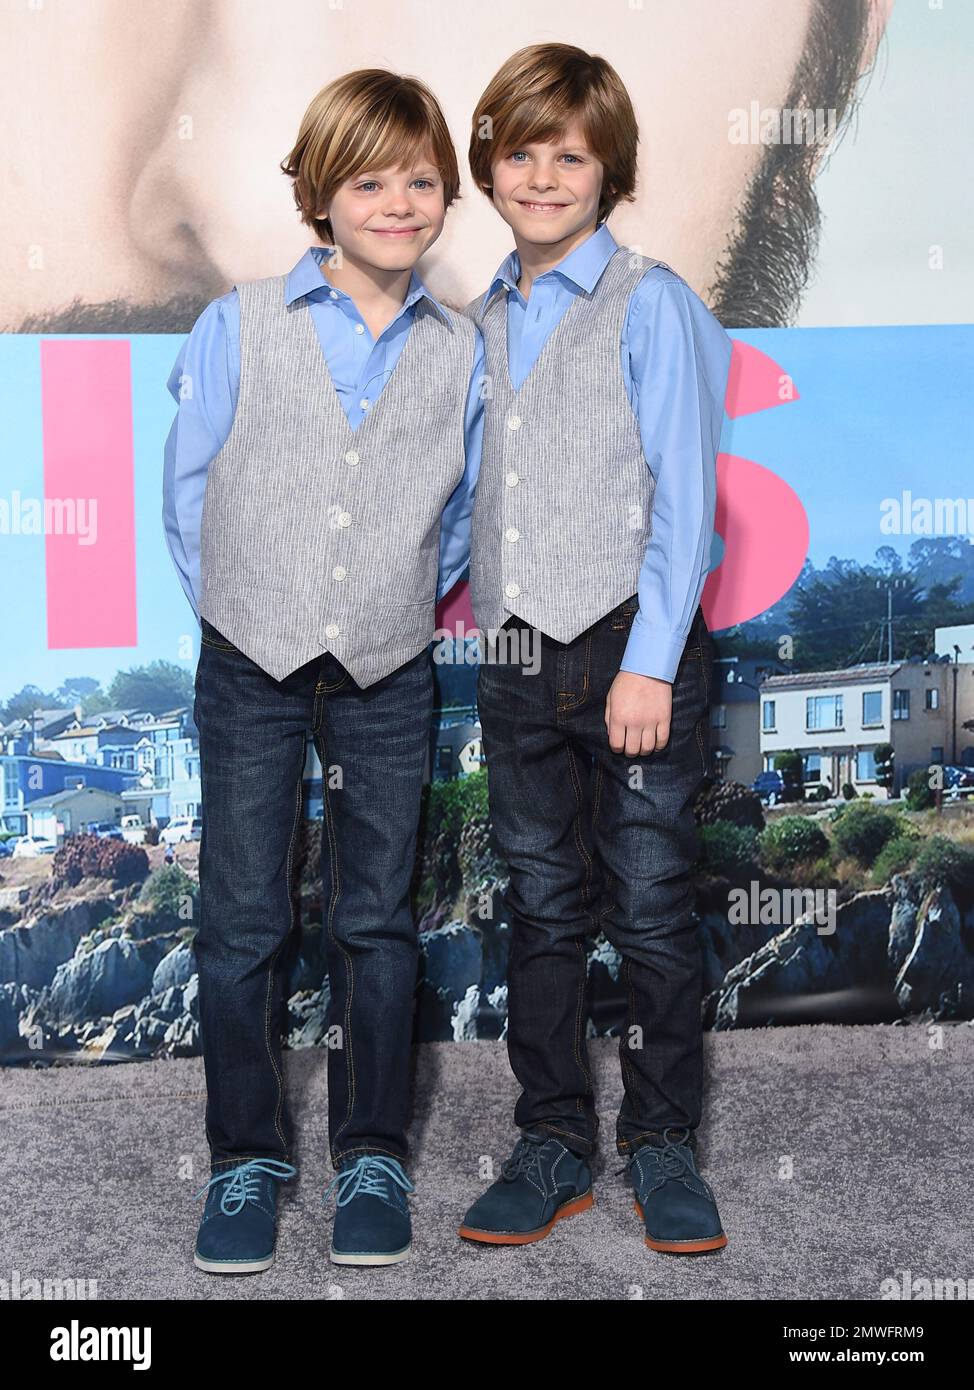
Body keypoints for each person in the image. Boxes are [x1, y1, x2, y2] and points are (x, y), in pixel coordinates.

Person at [162, 69, 484, 1272]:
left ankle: (372, 1154)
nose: (397, 203)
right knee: (242, 918)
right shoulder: (237, 323)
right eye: (368, 181)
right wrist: (244, 614)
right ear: (319, 194)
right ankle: (244, 1158)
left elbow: (455, 517)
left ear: (444, 196)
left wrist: (382, 601)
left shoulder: (461, 351)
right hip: (248, 659)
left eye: (420, 180)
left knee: (375, 920)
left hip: (389, 667)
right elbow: (189, 493)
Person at [457, 44, 733, 1253]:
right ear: (486, 167)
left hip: (632, 642)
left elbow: (685, 494)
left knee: (655, 906)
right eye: (520, 152)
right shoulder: (475, 322)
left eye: (568, 155)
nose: (541, 175)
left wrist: (650, 662)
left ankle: (662, 1140)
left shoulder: (648, 301)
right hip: (515, 656)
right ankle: (552, 1139)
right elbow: (468, 502)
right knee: (540, 907)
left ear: (608, 170)